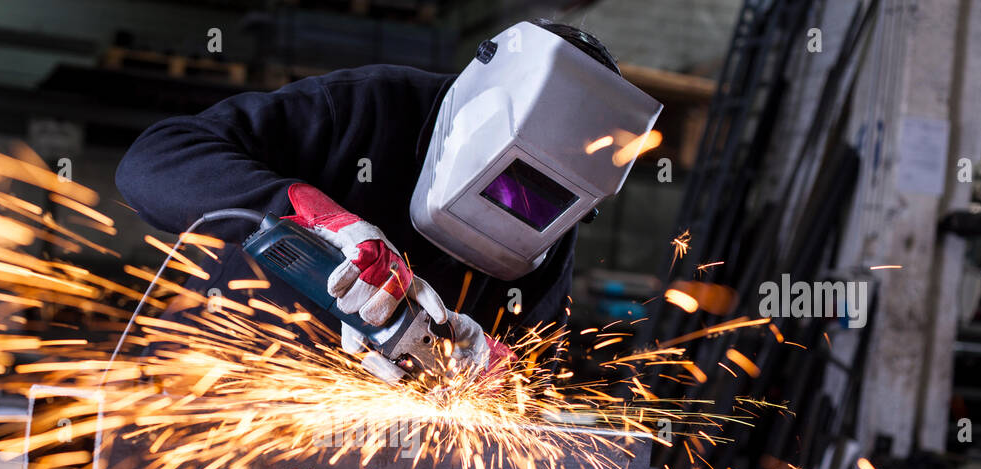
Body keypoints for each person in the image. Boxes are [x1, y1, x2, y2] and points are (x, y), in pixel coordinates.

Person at [116, 18, 661, 378]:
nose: (517, 204)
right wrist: (313, 213)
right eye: (512, 176)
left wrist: (490, 370)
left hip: (357, 464)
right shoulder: (365, 107)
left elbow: (533, 370)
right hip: (201, 390)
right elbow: (152, 163)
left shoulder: (556, 224)